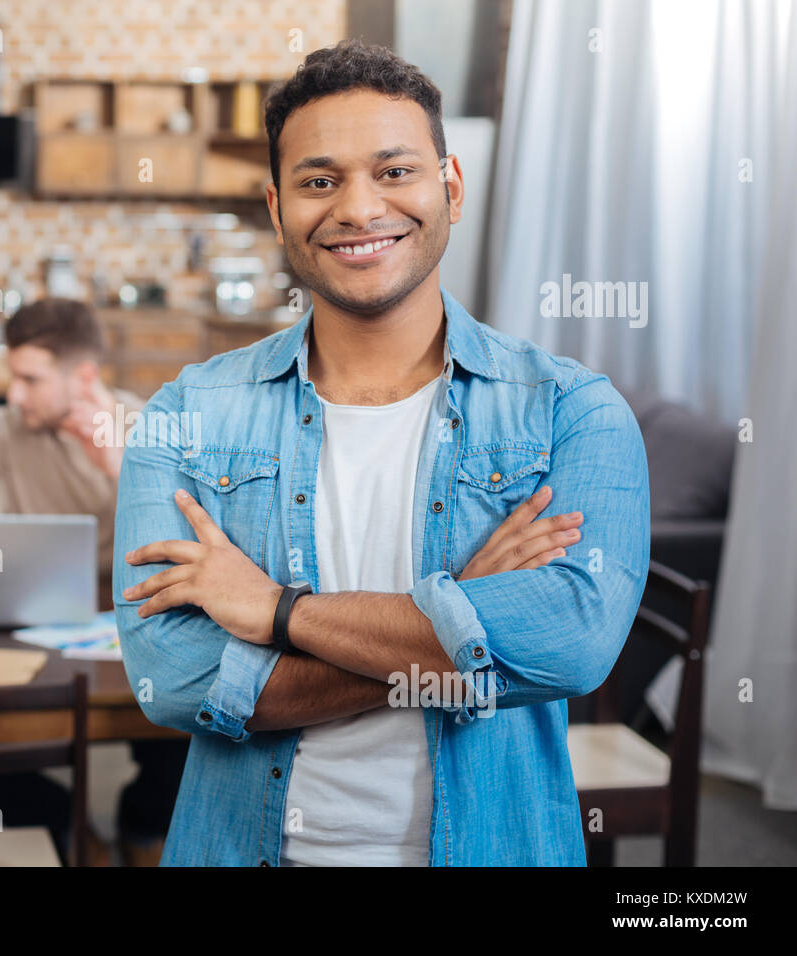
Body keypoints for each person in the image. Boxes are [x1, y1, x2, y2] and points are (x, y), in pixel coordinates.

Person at [115, 41, 650, 866]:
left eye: (394, 171)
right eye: (319, 180)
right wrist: (463, 610)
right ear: (276, 206)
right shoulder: (185, 414)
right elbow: (172, 681)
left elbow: (571, 645)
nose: (359, 209)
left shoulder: (572, 412)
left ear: (451, 186)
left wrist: (280, 614)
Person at [0, 297, 188, 866]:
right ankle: (64, 826)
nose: (14, 394)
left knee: (187, 724)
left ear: (83, 376)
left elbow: (186, 554)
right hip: (29, 628)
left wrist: (118, 469)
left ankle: (141, 825)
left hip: (132, 627)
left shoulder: (149, 425)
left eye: (29, 379)